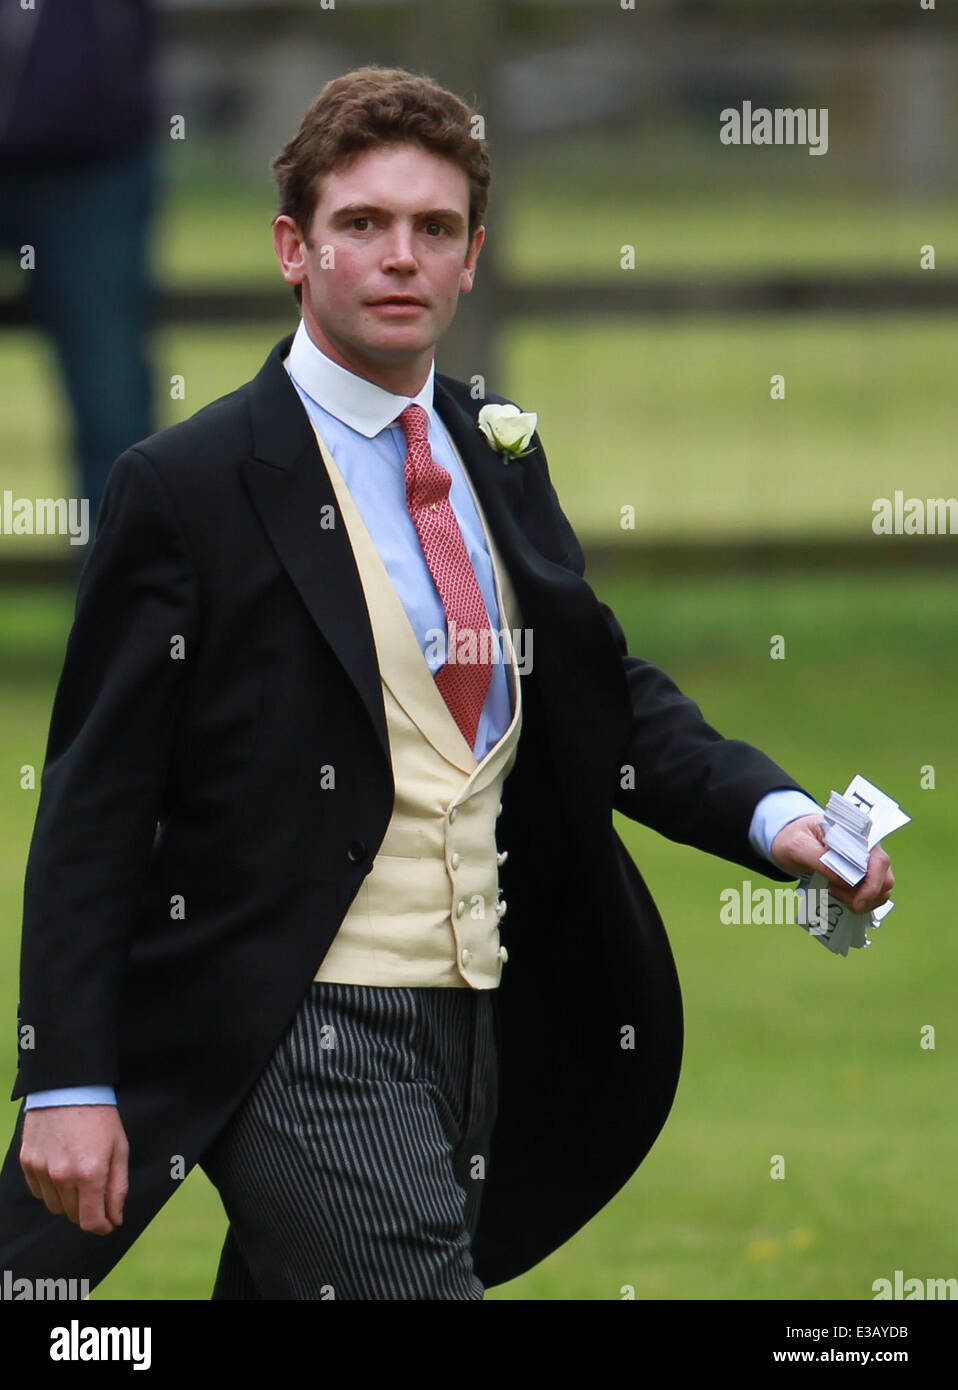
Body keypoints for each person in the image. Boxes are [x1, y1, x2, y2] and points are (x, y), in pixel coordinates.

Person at [0, 66, 893, 1300]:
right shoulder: (186, 487)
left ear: (473, 257)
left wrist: (772, 814)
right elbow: (93, 805)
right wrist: (66, 1075)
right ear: (292, 249)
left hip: (474, 1018)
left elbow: (597, 690)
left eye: (433, 230)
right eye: (361, 224)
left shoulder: (494, 449)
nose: (399, 257)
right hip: (292, 1028)